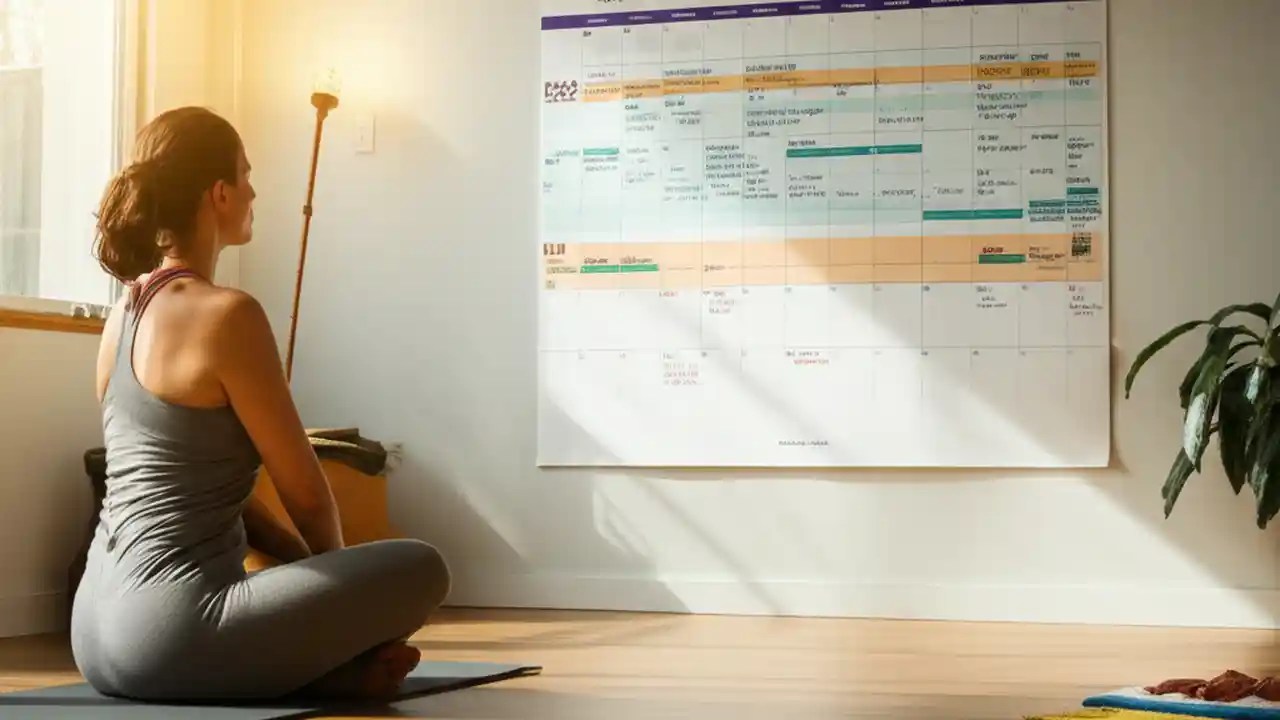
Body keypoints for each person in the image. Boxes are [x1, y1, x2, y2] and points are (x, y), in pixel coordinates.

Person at [69, 106, 451, 702]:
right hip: (174, 635)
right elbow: (303, 490)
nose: (254, 190)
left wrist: (308, 580)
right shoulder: (229, 314)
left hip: (92, 634)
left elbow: (231, 498)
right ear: (220, 194)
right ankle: (338, 665)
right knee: (424, 567)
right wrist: (350, 609)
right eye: (246, 175)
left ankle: (322, 675)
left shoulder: (121, 316)